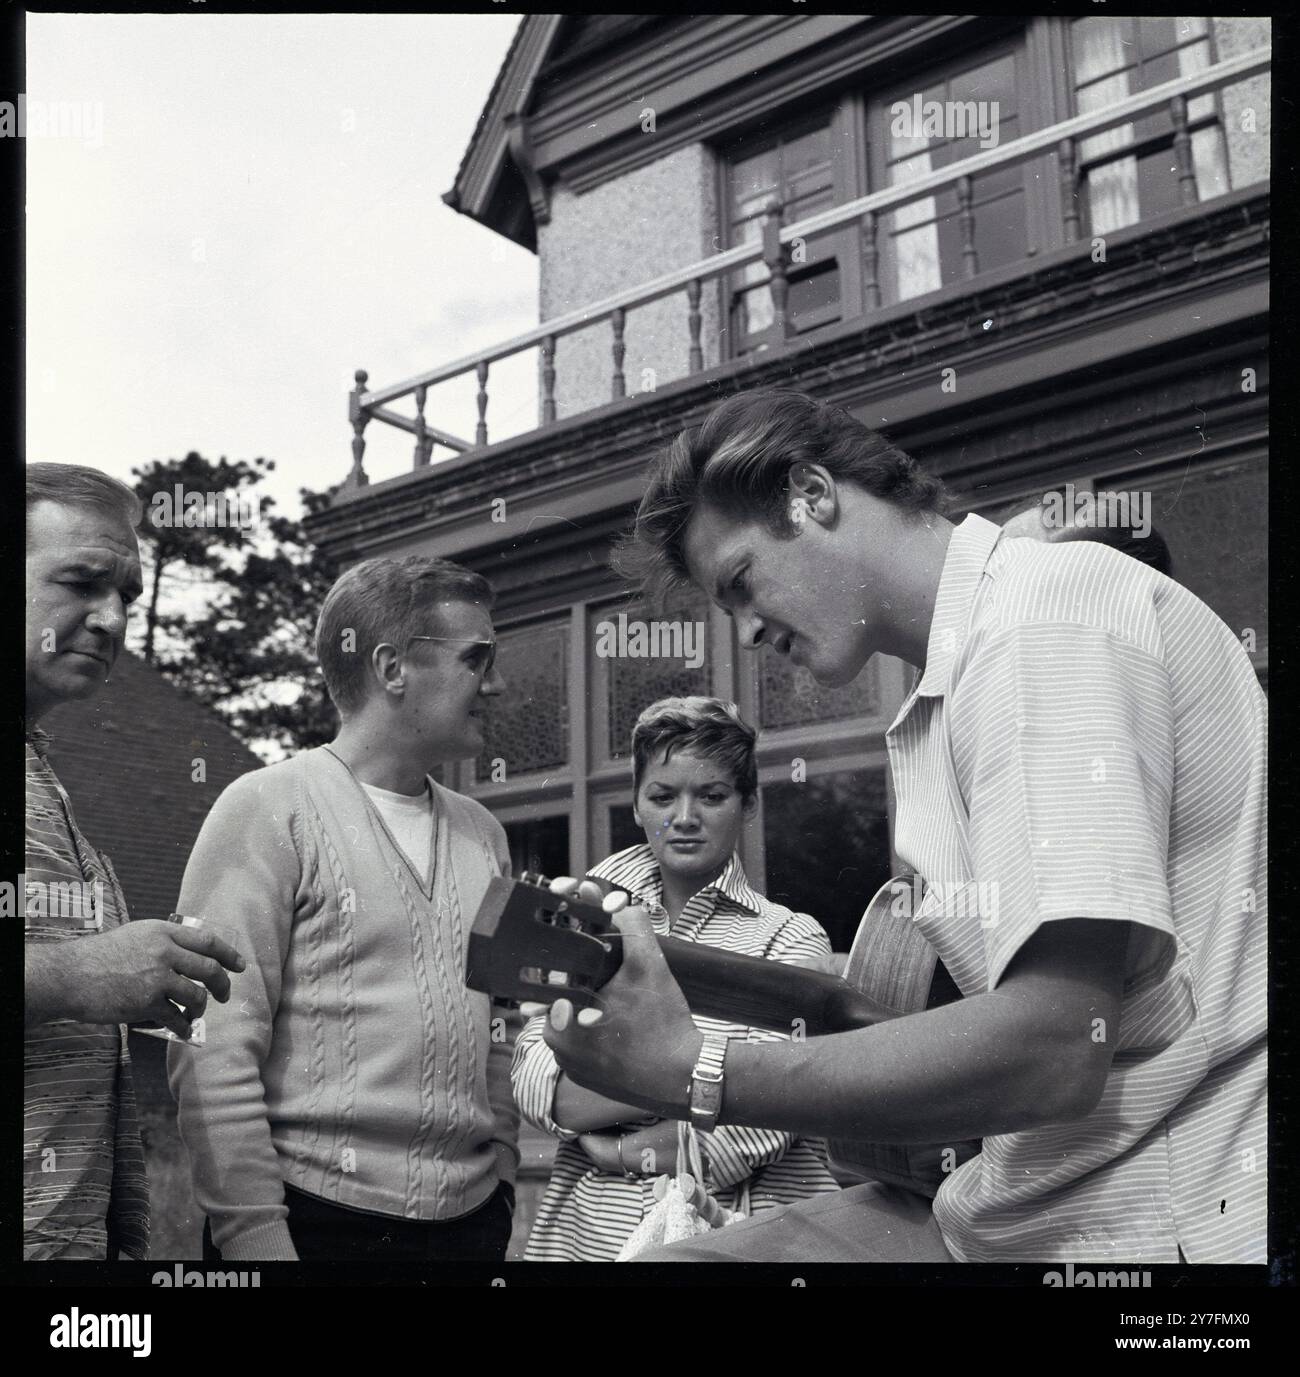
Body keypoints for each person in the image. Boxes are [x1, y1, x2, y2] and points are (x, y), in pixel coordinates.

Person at [539, 388, 1265, 1264]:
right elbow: (913, 1014)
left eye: (741, 582)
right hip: (1017, 1193)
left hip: (1155, 1213)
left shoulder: (1038, 620)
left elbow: (1059, 1043)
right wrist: (650, 961)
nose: (747, 630)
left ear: (814, 492)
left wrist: (702, 1074)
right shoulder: (956, 672)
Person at [168, 555, 521, 1262]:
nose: (499, 682)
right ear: (392, 668)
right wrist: (254, 1234)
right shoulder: (267, 807)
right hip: (312, 1231)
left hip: (469, 1229)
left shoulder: (485, 833)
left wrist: (504, 1180)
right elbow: (209, 1044)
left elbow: (501, 1030)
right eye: (478, 658)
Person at [512, 696, 841, 1260]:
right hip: (585, 1239)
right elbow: (539, 1085)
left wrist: (614, 1147)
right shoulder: (589, 916)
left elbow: (764, 1123)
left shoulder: (789, 939)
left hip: (731, 1240)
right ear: (638, 805)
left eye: (712, 796)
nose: (684, 817)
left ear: (749, 804)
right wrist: (704, 1074)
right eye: (662, 796)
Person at [24, 463, 244, 1260]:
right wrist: (81, 976)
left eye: (129, 596)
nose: (112, 619)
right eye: (81, 581)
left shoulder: (43, 768)